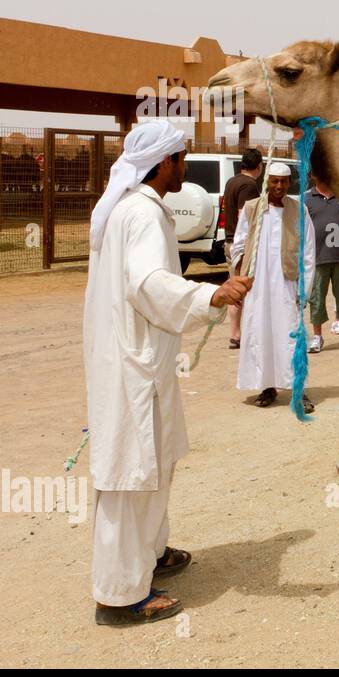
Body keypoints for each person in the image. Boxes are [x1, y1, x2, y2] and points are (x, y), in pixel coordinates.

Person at [84, 121, 251, 626]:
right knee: (129, 475)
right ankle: (119, 595)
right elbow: (150, 284)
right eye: (180, 158)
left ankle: (150, 555)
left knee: (154, 463)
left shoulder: (135, 209)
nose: (184, 166)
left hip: (141, 363)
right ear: (162, 163)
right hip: (131, 368)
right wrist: (210, 294)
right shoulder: (142, 214)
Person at [230, 162, 317, 410]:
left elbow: (308, 252)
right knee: (260, 333)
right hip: (258, 287)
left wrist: (305, 288)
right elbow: (238, 247)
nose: (279, 186)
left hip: (288, 285)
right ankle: (266, 387)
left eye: (283, 181)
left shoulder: (299, 210)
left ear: (290, 183)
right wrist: (238, 282)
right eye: (274, 181)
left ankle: (297, 390)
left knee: (290, 335)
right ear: (266, 180)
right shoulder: (252, 209)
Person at [304, 172, 339, 352]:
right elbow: (300, 229)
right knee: (316, 299)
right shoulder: (306, 200)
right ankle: (317, 337)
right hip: (317, 259)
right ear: (313, 175)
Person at [222, 148, 263, 349]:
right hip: (241, 245)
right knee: (243, 288)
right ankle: (239, 334)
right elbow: (243, 215)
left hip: (229, 241)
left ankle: (235, 333)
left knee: (235, 286)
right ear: (259, 167)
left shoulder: (232, 181)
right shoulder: (249, 185)